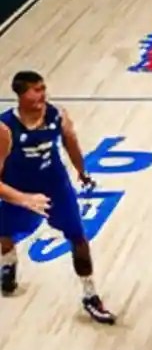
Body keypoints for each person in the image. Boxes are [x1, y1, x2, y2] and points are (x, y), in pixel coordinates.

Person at [0, 70, 114, 323]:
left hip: (55, 185)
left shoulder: (58, 115)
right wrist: (22, 198)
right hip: (19, 188)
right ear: (20, 94)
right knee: (5, 235)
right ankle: (8, 263)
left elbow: (70, 141)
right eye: (36, 90)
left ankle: (90, 295)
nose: (43, 94)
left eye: (44, 88)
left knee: (78, 237)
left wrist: (81, 171)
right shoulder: (5, 129)